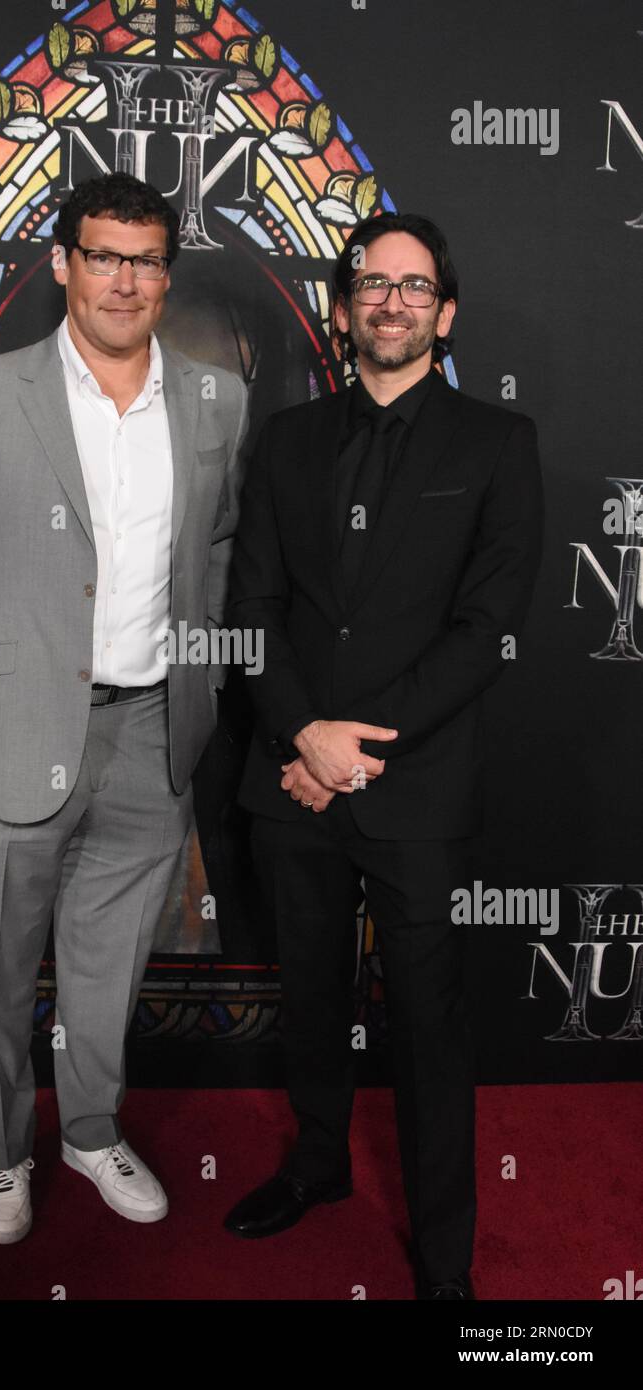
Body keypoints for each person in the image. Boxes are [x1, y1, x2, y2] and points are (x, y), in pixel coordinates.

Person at [0, 171, 248, 1244]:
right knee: (0, 973)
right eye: (101, 255)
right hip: (9, 735)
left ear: (165, 274)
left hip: (155, 734)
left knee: (107, 968)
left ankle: (90, 1130)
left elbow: (221, 549)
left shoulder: (213, 400)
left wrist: (206, 679)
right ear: (62, 264)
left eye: (144, 260)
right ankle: (1, 1151)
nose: (123, 279)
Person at [223, 212, 544, 1299]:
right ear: (344, 304)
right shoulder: (284, 441)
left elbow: (484, 628)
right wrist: (297, 734)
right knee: (306, 996)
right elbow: (251, 605)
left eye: (414, 287)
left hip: (415, 788)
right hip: (290, 779)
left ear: (443, 314)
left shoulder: (498, 445)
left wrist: (353, 750)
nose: (391, 300)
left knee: (429, 1024)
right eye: (372, 282)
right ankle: (316, 1167)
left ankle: (444, 1257)